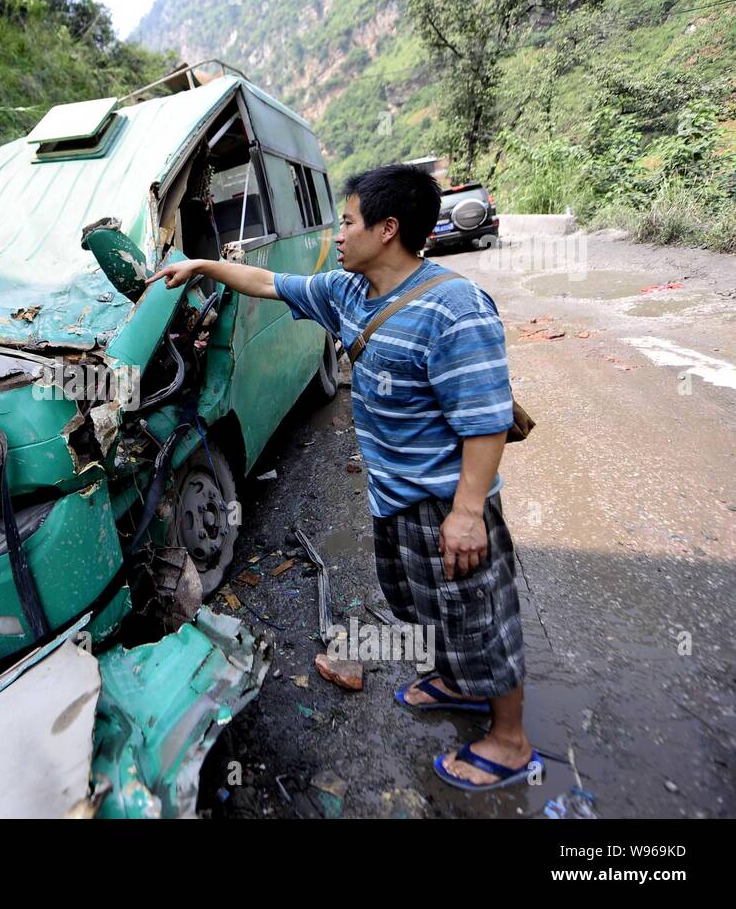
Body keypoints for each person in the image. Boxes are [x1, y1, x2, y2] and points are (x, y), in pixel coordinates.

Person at [146, 163, 539, 791]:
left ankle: (510, 741)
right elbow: (268, 281)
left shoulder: (453, 307)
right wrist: (201, 267)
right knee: (418, 601)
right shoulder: (348, 293)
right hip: (393, 498)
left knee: (479, 616)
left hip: (447, 502)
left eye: (347, 222)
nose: (337, 235)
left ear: (388, 229)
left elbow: (485, 422)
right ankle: (461, 685)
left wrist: (467, 513)